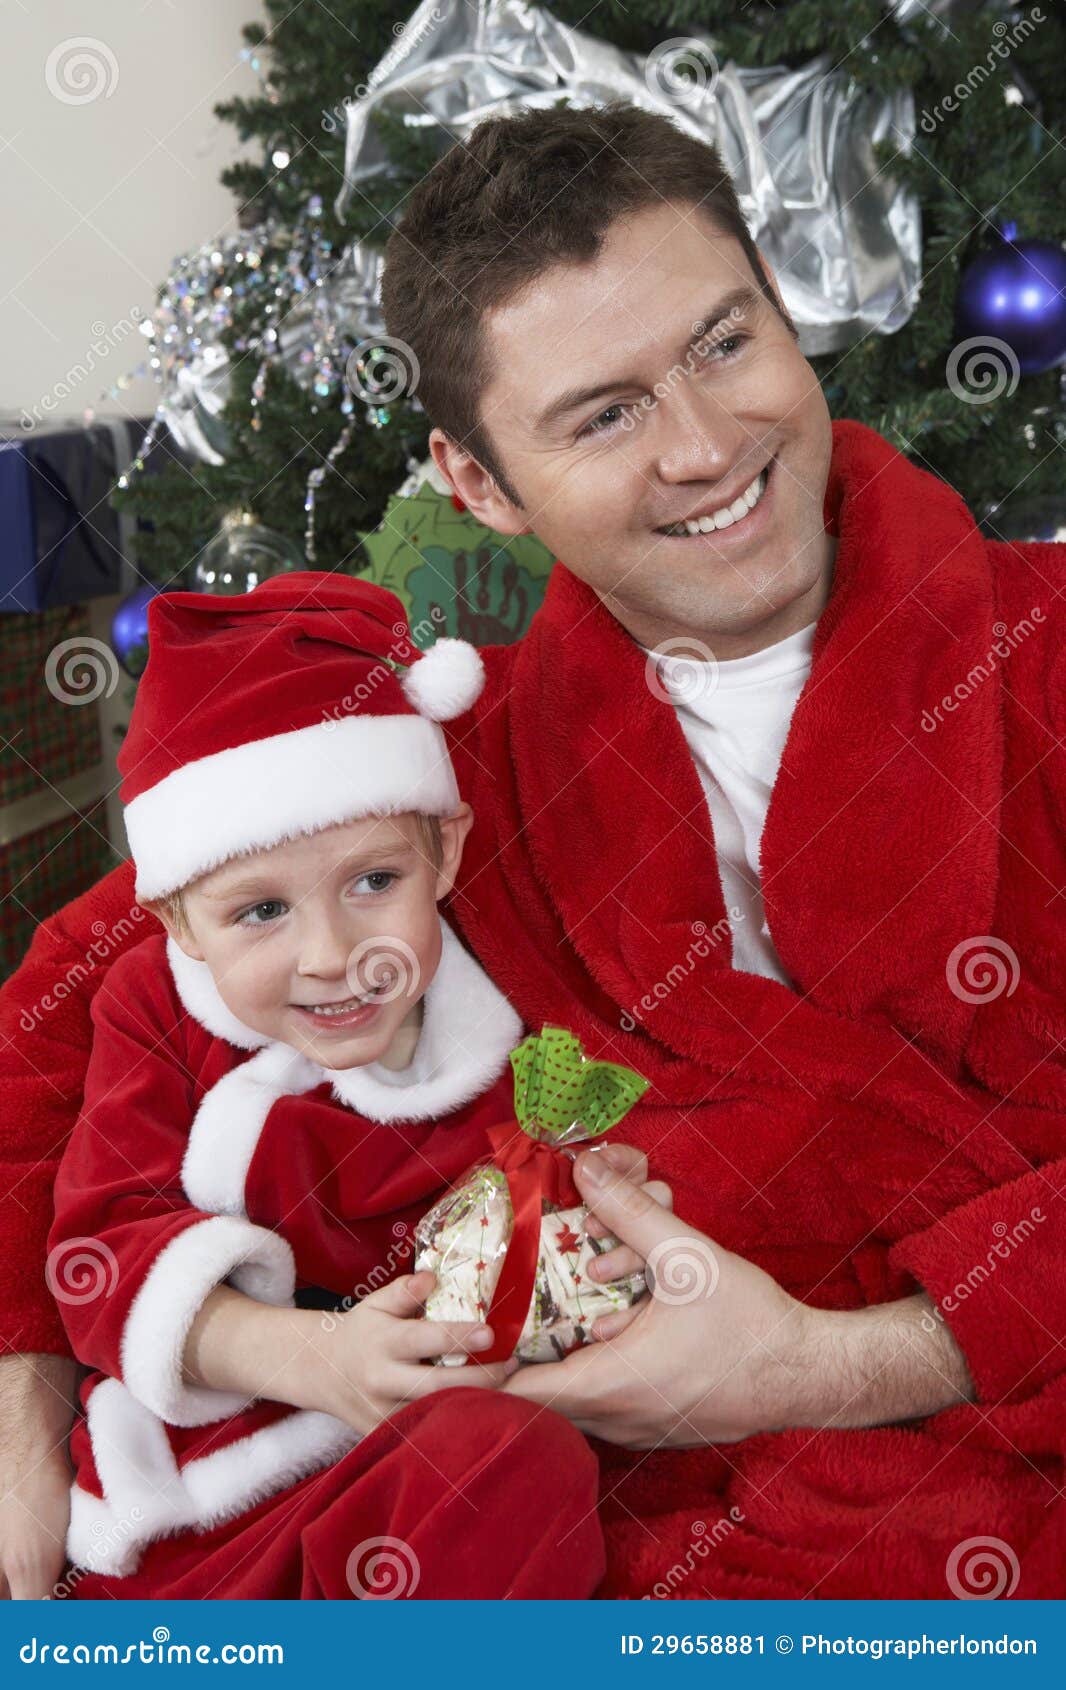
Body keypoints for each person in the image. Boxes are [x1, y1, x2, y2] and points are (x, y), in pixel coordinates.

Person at [3, 99, 1064, 1601]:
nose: (705, 446)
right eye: (603, 413)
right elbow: (67, 1009)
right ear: (480, 483)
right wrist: (22, 1401)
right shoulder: (423, 786)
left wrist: (840, 1362)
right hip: (625, 1536)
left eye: (721, 343)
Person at [43, 571, 651, 1598]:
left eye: (376, 882)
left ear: (445, 851)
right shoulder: (150, 1005)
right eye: (258, 912)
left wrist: (595, 1224)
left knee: (517, 1466)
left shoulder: (509, 1001)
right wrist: (314, 1357)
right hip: (216, 1490)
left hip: (435, 1460)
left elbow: (551, 1190)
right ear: (179, 922)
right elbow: (98, 1251)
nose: (331, 956)